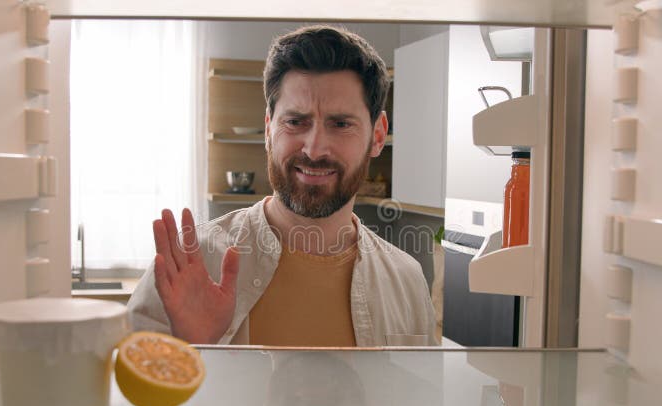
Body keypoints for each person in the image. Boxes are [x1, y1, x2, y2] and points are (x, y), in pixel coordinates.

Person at [127, 25, 438, 346]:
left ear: (377, 135)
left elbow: (420, 381)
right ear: (268, 128)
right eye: (295, 121)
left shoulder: (406, 281)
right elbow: (127, 376)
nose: (314, 149)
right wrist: (196, 348)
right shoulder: (190, 266)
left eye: (341, 124)